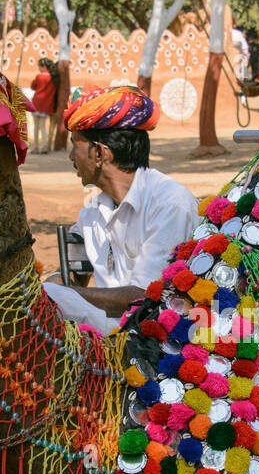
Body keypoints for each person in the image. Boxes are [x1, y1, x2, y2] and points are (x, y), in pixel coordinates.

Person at [42, 85, 198, 333]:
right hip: (105, 329)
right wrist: (60, 285)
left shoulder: (169, 202)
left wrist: (65, 292)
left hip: (157, 334)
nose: (71, 156)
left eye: (75, 146)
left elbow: (144, 297)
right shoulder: (91, 214)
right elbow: (70, 275)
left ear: (99, 153)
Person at [27, 57, 58, 153]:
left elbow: (33, 86)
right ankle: (45, 146)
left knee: (36, 126)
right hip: (47, 105)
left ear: (43, 66)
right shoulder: (53, 78)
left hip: (36, 103)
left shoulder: (39, 77)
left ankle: (36, 147)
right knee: (43, 126)